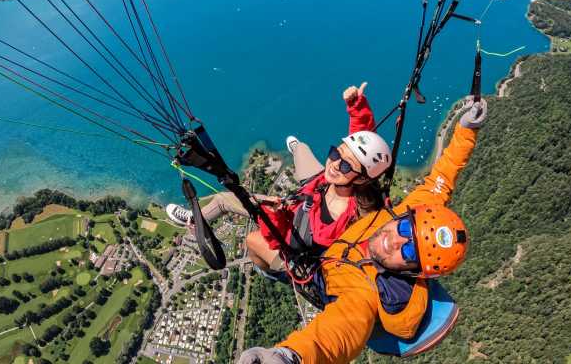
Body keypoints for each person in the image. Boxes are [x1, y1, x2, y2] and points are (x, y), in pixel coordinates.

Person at [238, 95, 487, 364]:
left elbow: (335, 337)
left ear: (413, 270)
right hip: (329, 256)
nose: (395, 240)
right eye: (405, 228)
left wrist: (288, 356)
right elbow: (443, 178)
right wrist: (467, 130)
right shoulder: (409, 214)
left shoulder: (369, 293)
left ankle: (279, 276)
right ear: (407, 216)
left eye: (409, 250)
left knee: (254, 241)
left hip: (315, 276)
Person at [166, 82, 393, 273]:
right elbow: (362, 149)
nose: (334, 164)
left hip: (294, 244)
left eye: (344, 165)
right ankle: (297, 150)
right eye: (335, 153)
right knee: (302, 148)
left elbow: (283, 240)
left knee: (241, 225)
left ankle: (263, 267)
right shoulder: (346, 176)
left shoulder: (342, 222)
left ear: (362, 179)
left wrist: (272, 215)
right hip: (312, 191)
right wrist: (357, 107)